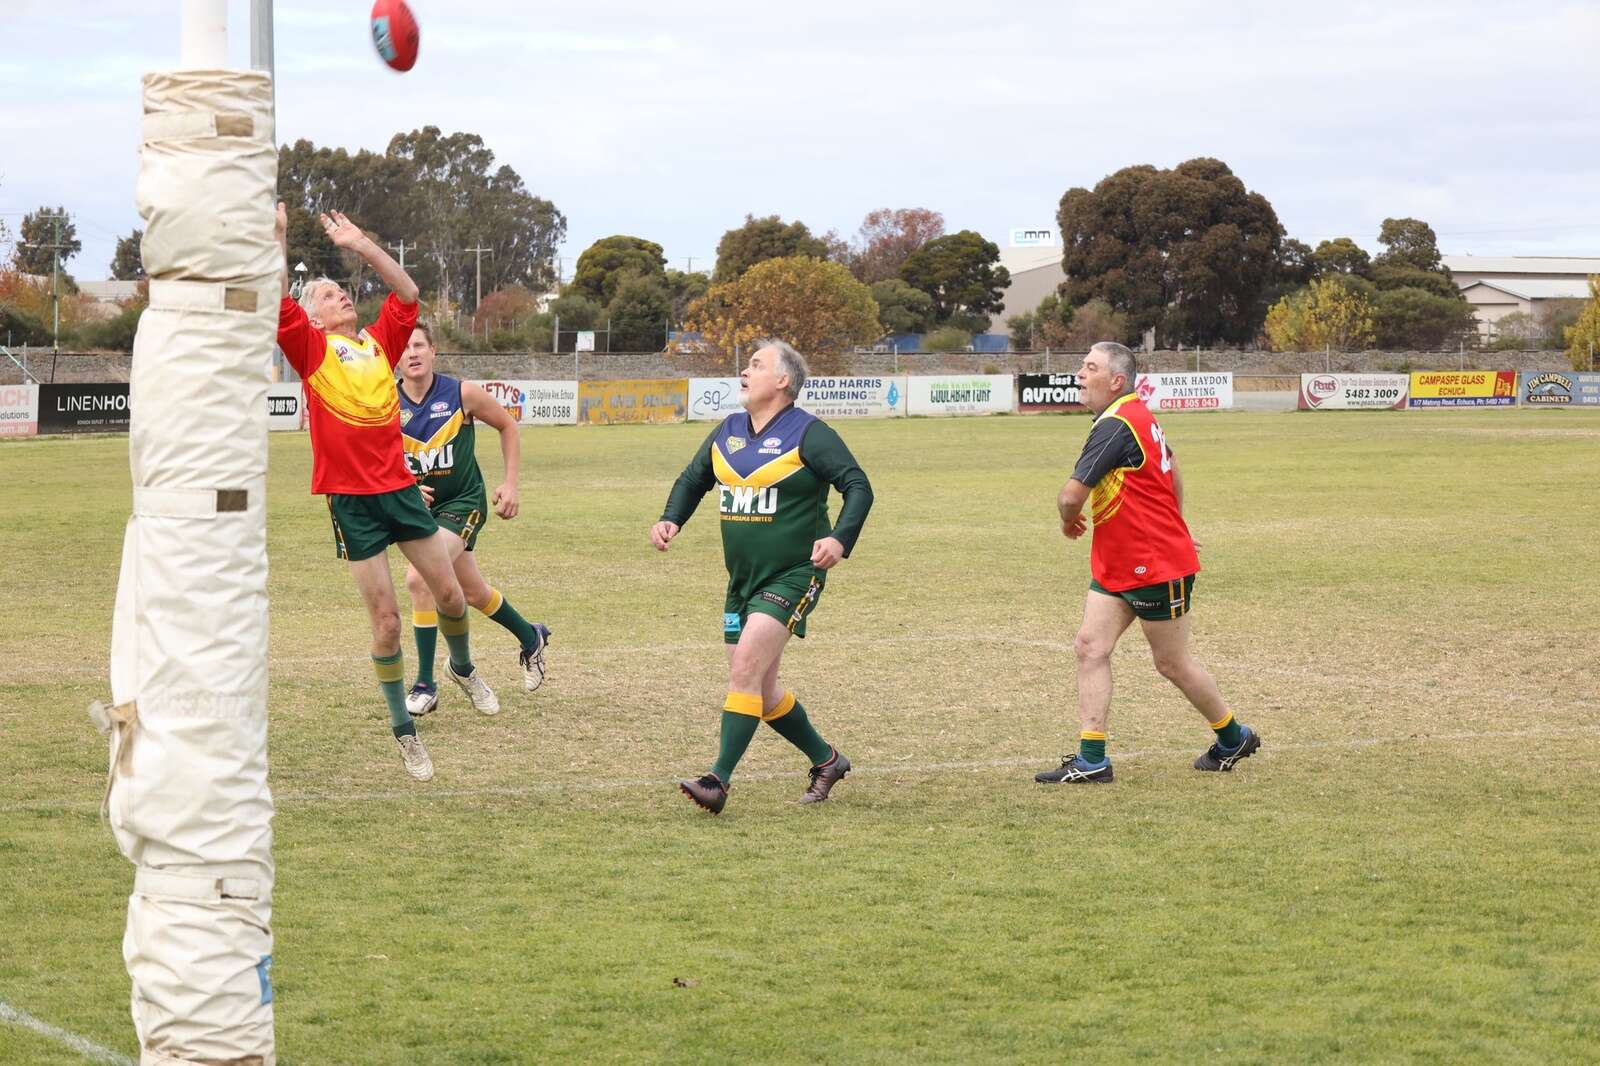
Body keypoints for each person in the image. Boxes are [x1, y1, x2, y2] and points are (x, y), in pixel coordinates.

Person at [274, 202, 497, 782]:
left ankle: (462, 668)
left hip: (401, 490)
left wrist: (361, 244)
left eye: (342, 292)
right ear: (313, 317)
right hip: (351, 502)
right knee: (388, 623)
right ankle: (405, 731)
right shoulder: (311, 349)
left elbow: (408, 293)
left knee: (450, 596)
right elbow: (275, 300)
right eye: (329, 296)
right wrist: (277, 237)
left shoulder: (379, 344)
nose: (341, 297)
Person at [651, 339, 873, 814]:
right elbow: (693, 479)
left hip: (794, 575)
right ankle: (827, 760)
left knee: (745, 672)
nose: (745, 371)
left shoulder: (809, 433)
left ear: (783, 380)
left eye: (756, 364)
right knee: (760, 688)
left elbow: (858, 485)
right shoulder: (728, 431)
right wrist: (672, 518)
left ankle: (718, 781)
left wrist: (839, 539)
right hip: (742, 581)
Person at [1034, 341, 1260, 784]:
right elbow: (1172, 467)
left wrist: (1067, 520)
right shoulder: (1134, 414)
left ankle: (1234, 737)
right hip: (1120, 562)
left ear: (1115, 380)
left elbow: (1070, 496)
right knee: (1090, 647)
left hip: (1154, 564)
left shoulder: (1116, 425)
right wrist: (1177, 521)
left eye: (1090, 367)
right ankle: (1093, 759)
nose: (1080, 374)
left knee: (1171, 663)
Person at [397, 324, 550, 716]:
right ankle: (530, 636)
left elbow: (507, 425)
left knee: (419, 578)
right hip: (420, 513)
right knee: (473, 592)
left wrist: (511, 483)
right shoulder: (386, 404)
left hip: (463, 504)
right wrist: (406, 487)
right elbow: (378, 458)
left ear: (433, 351)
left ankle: (426, 683)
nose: (412, 353)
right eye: (405, 347)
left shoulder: (461, 393)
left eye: (419, 345)